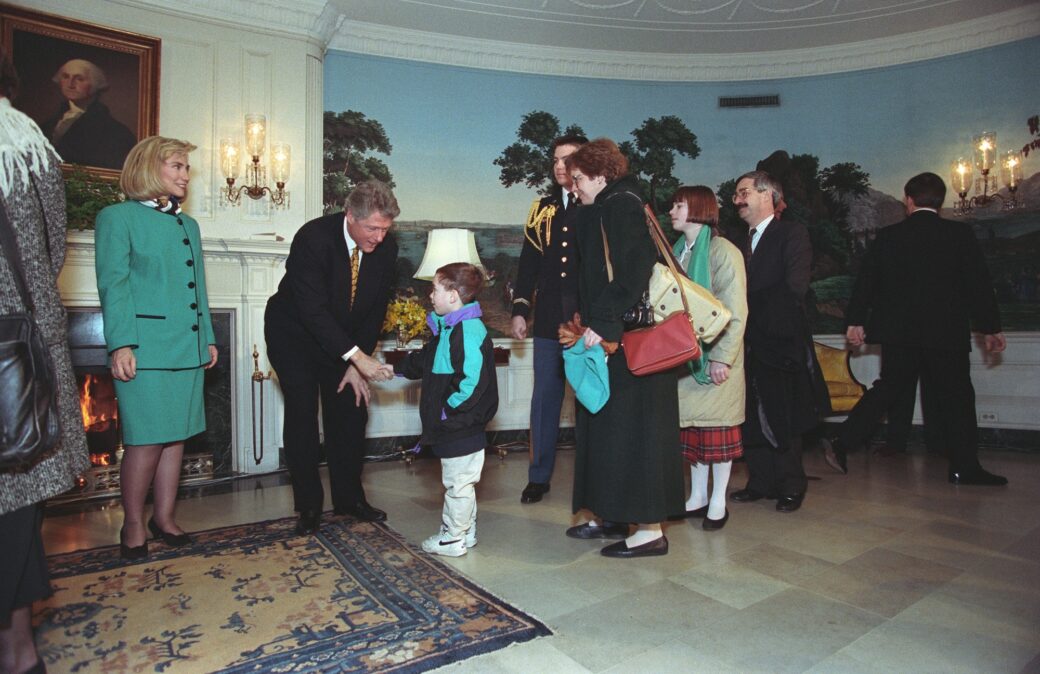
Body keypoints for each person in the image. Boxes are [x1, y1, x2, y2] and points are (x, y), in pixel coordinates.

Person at [0, 49, 89, 674]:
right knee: (18, 498)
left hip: (12, 346)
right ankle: (18, 641)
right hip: (28, 341)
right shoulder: (32, 147)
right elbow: (54, 248)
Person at [831, 172, 1007, 485]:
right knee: (958, 397)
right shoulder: (960, 234)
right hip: (945, 333)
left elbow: (866, 282)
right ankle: (964, 467)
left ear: (908, 201)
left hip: (898, 333)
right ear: (940, 201)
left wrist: (855, 321)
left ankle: (841, 441)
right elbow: (979, 284)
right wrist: (991, 328)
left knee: (888, 389)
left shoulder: (888, 236)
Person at [95, 136, 219, 558]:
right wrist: (121, 345)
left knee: (176, 437)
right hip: (144, 349)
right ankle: (133, 523)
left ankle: (163, 518)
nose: (185, 175)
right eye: (177, 166)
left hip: (187, 345)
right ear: (150, 168)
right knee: (146, 440)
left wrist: (207, 337)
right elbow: (114, 286)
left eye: (187, 168)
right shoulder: (117, 217)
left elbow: (198, 289)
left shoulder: (188, 225)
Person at [563, 138, 684, 557]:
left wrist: (601, 321)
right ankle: (615, 513)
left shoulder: (621, 205)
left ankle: (650, 532)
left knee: (637, 435)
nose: (574, 187)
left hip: (632, 342)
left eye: (579, 178)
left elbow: (634, 270)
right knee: (613, 432)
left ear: (601, 175)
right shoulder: (612, 203)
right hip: (620, 339)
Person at [265, 180, 399, 536]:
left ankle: (349, 499)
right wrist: (356, 357)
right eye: (372, 228)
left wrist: (358, 363)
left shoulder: (386, 248)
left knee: (352, 410)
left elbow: (375, 310)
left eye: (385, 229)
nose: (379, 238)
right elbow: (312, 311)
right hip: (294, 335)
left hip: (343, 339)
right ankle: (309, 505)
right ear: (350, 215)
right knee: (303, 411)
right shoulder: (313, 238)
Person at [732, 170, 829, 513]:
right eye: (736, 194)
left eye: (743, 192)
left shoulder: (792, 234)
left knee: (782, 414)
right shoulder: (736, 241)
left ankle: (791, 485)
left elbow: (794, 287)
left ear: (766, 195)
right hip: (744, 344)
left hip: (778, 339)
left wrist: (750, 314)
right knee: (749, 413)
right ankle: (759, 481)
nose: (737, 200)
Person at [386, 263, 499, 557]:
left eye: (435, 289)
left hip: (461, 425)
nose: (430, 295)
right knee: (461, 483)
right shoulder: (449, 328)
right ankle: (466, 532)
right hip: (454, 426)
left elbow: (472, 382)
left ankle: (453, 539)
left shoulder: (468, 331)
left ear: (453, 295)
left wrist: (447, 410)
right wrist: (394, 369)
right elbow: (426, 360)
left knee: (458, 485)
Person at [512, 134, 587, 504]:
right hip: (547, 321)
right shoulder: (541, 209)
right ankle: (538, 476)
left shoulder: (596, 205)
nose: (559, 166)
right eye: (555, 160)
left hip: (586, 322)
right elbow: (529, 265)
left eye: (567, 159)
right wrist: (520, 309)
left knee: (590, 400)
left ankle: (592, 477)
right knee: (544, 399)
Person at [669, 186, 747, 531]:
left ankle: (718, 501)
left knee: (718, 433)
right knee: (694, 433)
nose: (672, 211)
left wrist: (722, 359)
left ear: (700, 209)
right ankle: (698, 496)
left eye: (679, 205)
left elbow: (736, 310)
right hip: (686, 359)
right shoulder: (676, 251)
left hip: (714, 358)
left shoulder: (723, 251)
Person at [41, 59, 136, 170]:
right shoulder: (48, 125)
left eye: (79, 79)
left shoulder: (117, 133)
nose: (70, 84)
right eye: (66, 77)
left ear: (95, 84)